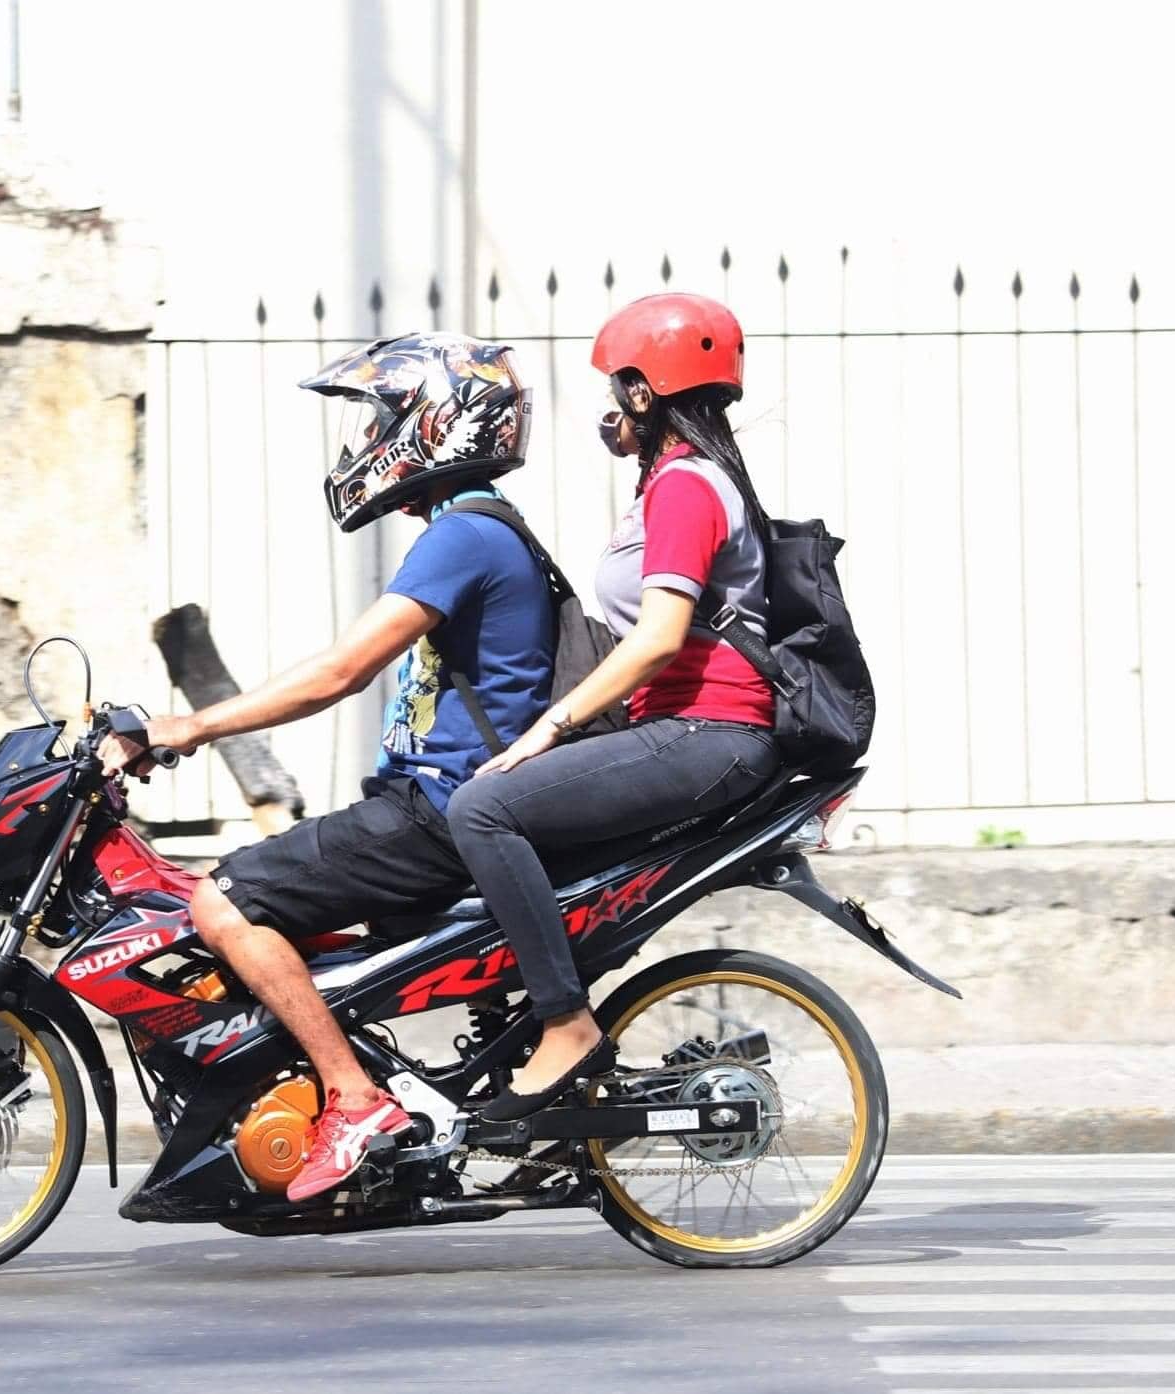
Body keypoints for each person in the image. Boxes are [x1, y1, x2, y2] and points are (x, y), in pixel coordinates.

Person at [99, 332, 553, 1201]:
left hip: (438, 813)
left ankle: (353, 1099)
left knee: (223, 901)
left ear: (438, 423)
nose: (367, 440)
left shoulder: (465, 535)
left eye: (381, 419)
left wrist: (191, 726)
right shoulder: (479, 527)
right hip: (436, 804)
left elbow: (339, 673)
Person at [445, 293, 783, 1121]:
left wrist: (549, 727)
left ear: (644, 390)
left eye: (616, 387)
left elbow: (659, 638)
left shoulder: (686, 487)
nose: (608, 408)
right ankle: (530, 1058)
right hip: (687, 730)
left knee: (483, 809)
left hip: (707, 732)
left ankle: (566, 1026)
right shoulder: (681, 481)